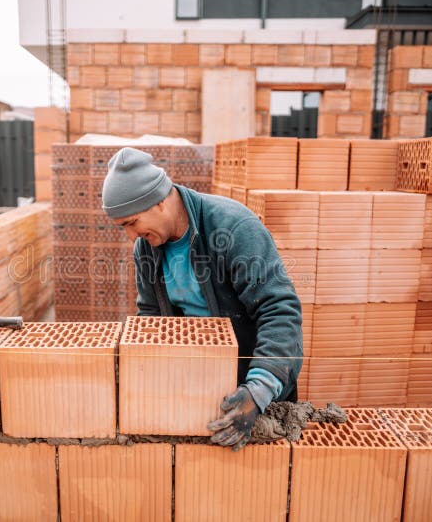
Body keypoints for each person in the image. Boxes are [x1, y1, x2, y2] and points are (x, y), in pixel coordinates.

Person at [102, 147, 303, 451]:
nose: (131, 236)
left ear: (158, 201)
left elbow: (278, 310)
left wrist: (257, 391)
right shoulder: (146, 248)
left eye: (132, 222)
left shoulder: (233, 228)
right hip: (195, 386)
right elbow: (152, 316)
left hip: (249, 388)